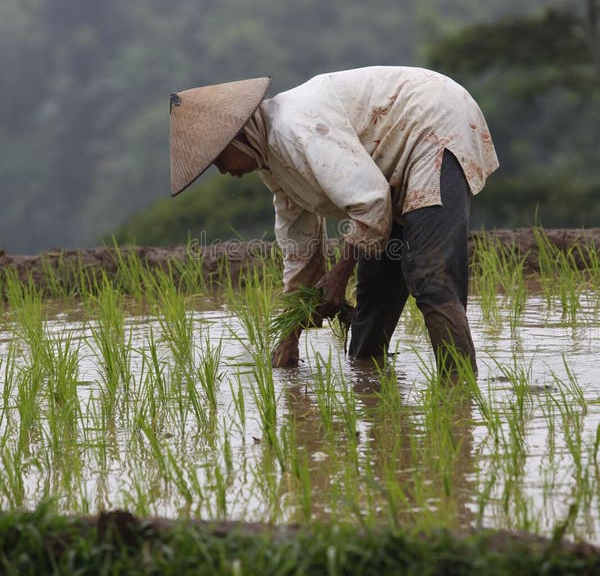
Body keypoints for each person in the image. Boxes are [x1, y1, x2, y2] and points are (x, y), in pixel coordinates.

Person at [170, 66, 499, 376]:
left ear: (239, 137)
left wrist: (339, 275)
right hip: (394, 164)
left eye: (219, 160)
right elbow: (300, 248)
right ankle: (368, 384)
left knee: (431, 276)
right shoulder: (273, 161)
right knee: (375, 288)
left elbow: (371, 202)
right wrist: (290, 335)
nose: (223, 171)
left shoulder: (293, 129)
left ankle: (460, 392)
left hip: (435, 123)